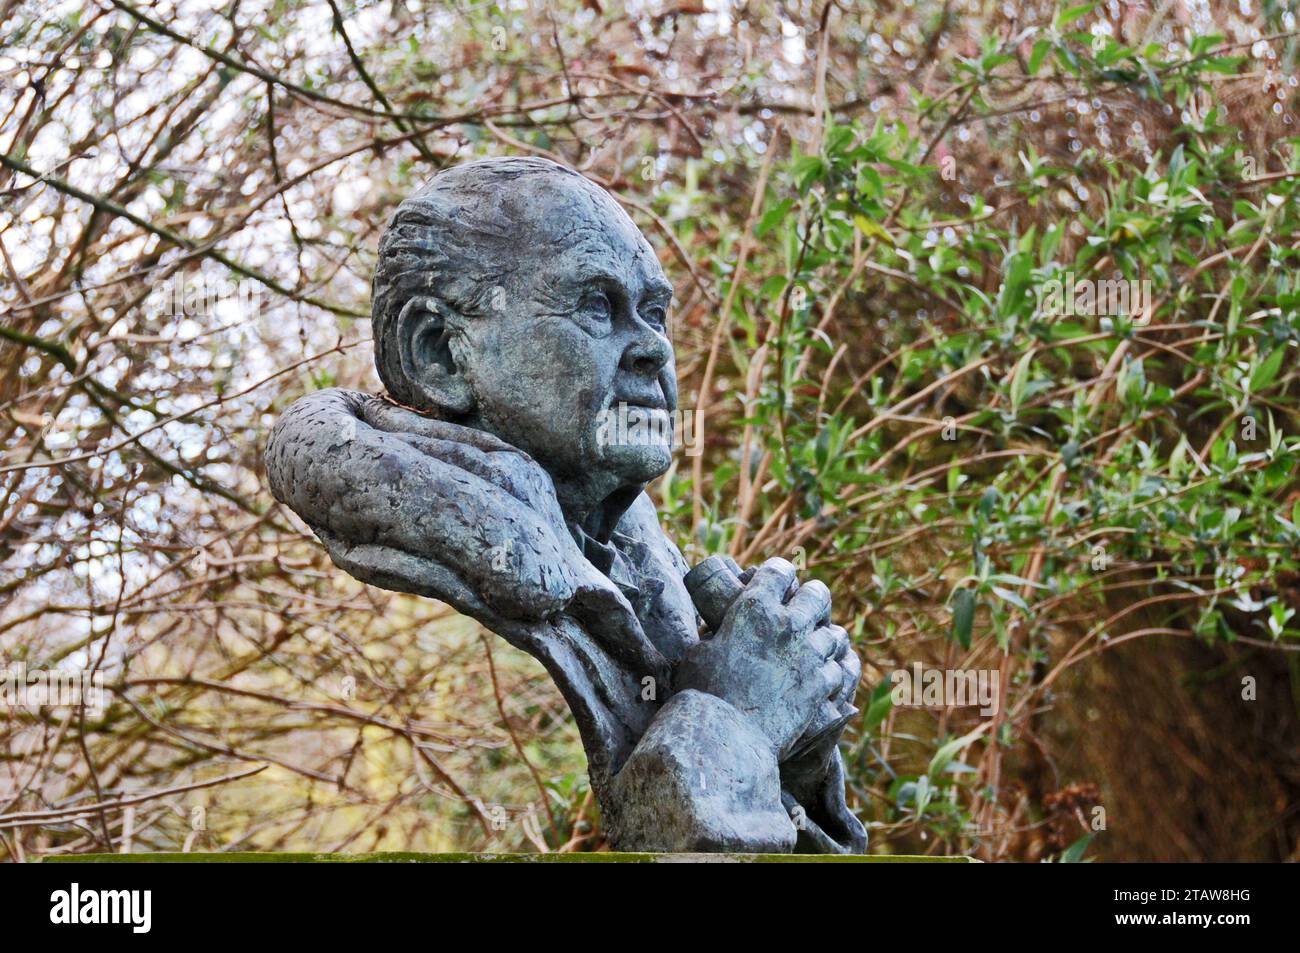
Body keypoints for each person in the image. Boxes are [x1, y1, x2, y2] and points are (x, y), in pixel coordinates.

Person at [265, 156, 865, 852]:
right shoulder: (431, 618)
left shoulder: (638, 576)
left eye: (655, 312)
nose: (652, 348)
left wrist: (793, 736)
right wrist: (735, 721)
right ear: (441, 353)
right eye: (596, 306)